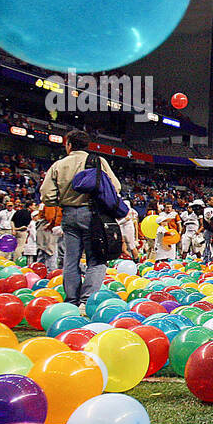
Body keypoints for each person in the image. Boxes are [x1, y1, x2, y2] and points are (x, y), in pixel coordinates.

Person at [38, 130, 123, 308]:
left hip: (69, 214)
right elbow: (116, 186)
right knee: (97, 258)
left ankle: (71, 301)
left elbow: (46, 195)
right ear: (87, 145)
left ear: (69, 145)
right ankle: (86, 300)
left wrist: (61, 200)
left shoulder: (59, 164)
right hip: (93, 215)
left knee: (71, 259)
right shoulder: (97, 161)